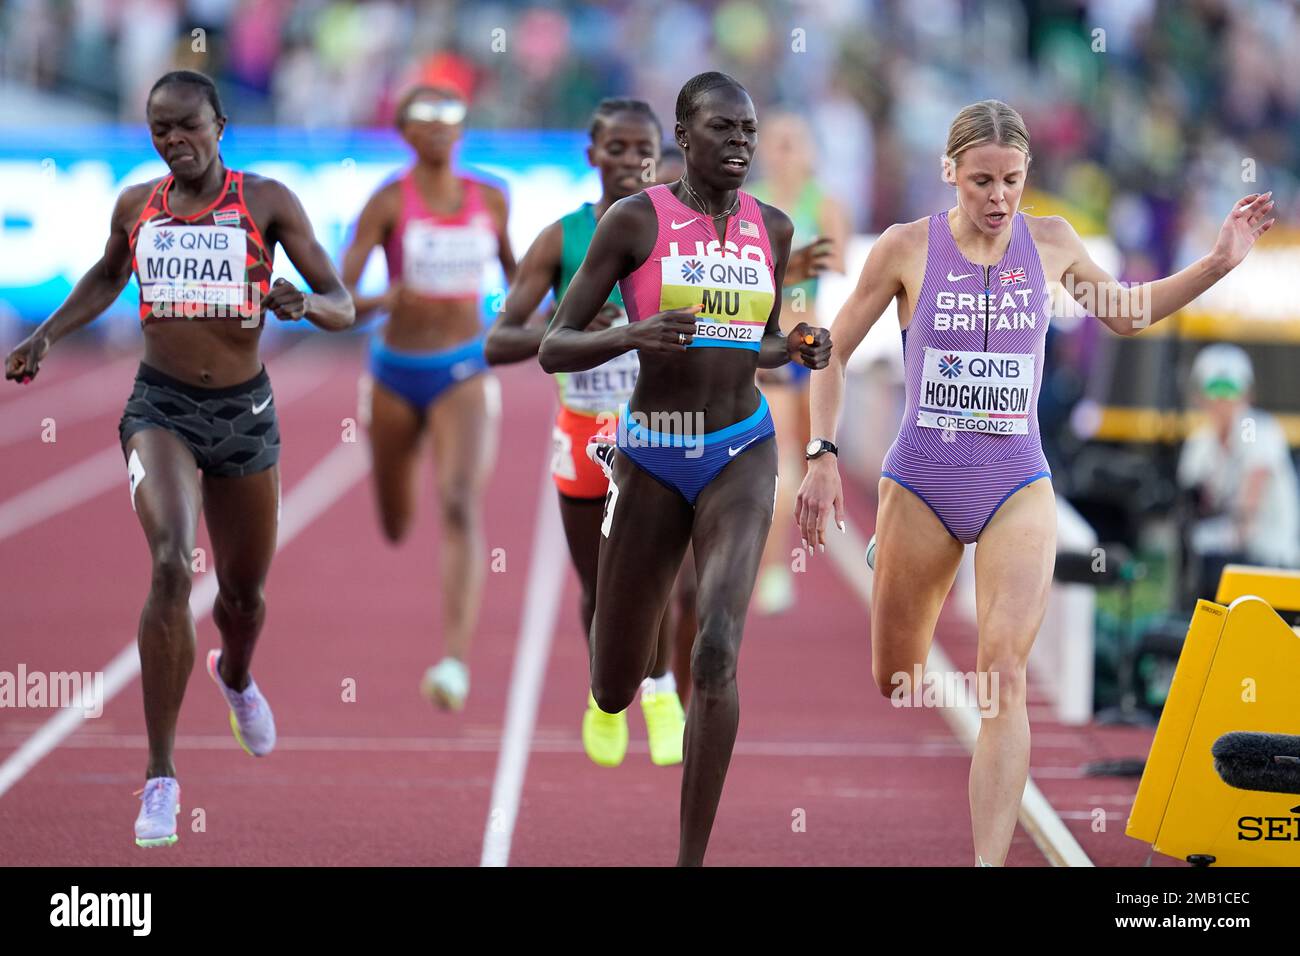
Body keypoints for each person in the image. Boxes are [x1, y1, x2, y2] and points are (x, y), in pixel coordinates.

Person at [795, 99, 1273, 866]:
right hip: (922, 479)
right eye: (981, 180)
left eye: (1012, 180)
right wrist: (820, 452)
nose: (997, 197)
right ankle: (900, 550)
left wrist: (1218, 261)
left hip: (1017, 478)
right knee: (896, 678)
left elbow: (1128, 314)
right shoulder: (902, 249)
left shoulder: (1049, 243)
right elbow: (831, 351)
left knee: (1003, 675)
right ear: (949, 173)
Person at [4, 70, 355, 847]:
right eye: (160, 129)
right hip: (158, 407)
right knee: (170, 565)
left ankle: (234, 675)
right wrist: (45, 336)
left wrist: (305, 303)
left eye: (187, 126)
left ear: (220, 123)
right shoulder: (138, 207)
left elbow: (343, 301)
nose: (174, 141)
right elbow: (105, 274)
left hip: (244, 414)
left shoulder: (266, 202)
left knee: (244, 597)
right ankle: (161, 775)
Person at [539, 72, 831, 865]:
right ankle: (611, 697)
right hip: (653, 451)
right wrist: (632, 336)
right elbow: (553, 346)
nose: (740, 145)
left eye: (749, 132)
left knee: (715, 647)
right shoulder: (635, 222)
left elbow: (757, 343)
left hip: (741, 447)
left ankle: (690, 858)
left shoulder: (772, 226)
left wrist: (796, 348)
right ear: (685, 133)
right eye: (724, 131)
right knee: (615, 682)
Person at [485, 98, 686, 767]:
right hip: (585, 433)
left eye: (643, 149)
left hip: (662, 430)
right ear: (592, 155)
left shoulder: (680, 230)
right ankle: (606, 697)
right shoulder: (560, 239)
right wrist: (566, 330)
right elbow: (498, 340)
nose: (632, 162)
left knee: (664, 582)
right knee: (602, 587)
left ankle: (660, 692)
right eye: (618, 149)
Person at [339, 85, 516, 712]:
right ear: (405, 132)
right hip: (393, 373)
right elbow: (340, 294)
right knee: (395, 521)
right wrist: (384, 302)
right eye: (424, 121)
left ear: (463, 127)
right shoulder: (388, 201)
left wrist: (537, 322)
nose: (438, 131)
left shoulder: (490, 198)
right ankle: (398, 472)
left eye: (450, 120)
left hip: (463, 370)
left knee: (462, 504)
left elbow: (519, 281)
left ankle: (455, 663)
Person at [748, 112, 848, 613]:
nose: (785, 153)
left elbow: (841, 265)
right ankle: (770, 566)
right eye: (778, 143)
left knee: (815, 458)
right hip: (767, 346)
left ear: (810, 152)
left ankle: (782, 558)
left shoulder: (824, 206)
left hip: (811, 348)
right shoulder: (749, 205)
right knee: (779, 459)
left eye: (795, 143)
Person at [1178, 343, 1299, 600]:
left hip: (1270, 566)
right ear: (1199, 396)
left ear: (1247, 395)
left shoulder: (1259, 430)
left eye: (1231, 391)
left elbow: (1246, 517)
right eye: (1215, 390)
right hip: (1224, 566)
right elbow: (1192, 506)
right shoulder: (1199, 443)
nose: (1223, 401)